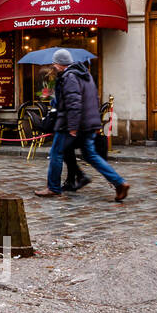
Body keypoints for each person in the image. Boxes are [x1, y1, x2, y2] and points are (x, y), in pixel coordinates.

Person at [36, 50, 129, 202]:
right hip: (87, 123)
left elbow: (74, 103)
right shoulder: (85, 75)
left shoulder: (70, 77)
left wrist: (72, 127)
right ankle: (119, 183)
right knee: (91, 155)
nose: (53, 66)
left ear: (59, 63)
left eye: (54, 63)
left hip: (69, 123)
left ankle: (53, 187)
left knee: (56, 153)